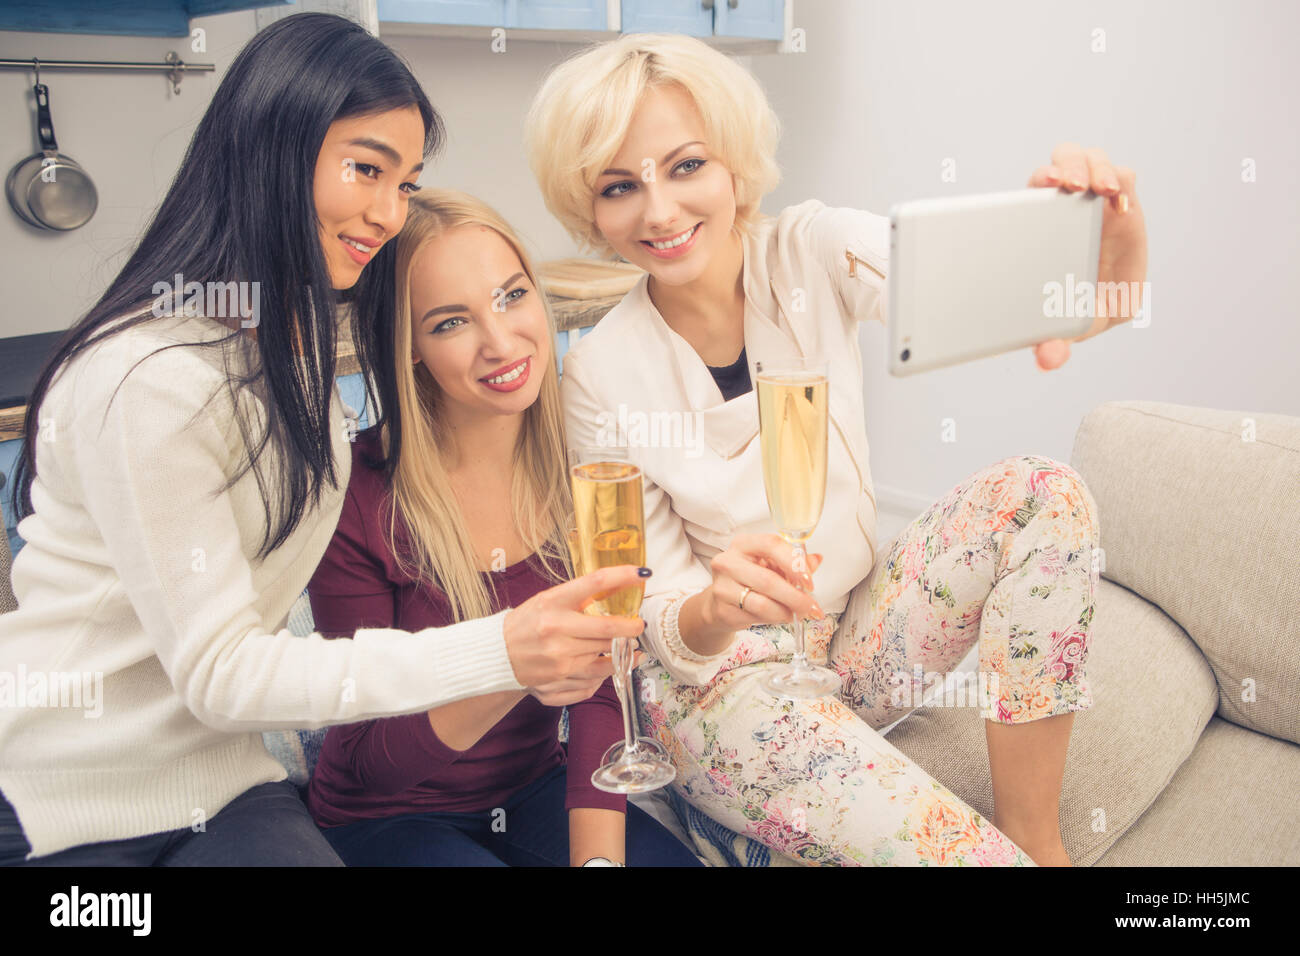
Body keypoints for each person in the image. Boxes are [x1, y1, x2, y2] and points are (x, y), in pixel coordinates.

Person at [0, 13, 643, 867]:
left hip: (221, 779)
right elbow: (224, 674)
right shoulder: (151, 376)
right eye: (366, 169)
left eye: (406, 182)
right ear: (273, 148)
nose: (387, 213)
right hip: (59, 789)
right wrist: (501, 650)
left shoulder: (287, 352)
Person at [523, 33, 1149, 866]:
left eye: (685, 166)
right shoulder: (601, 369)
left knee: (1044, 490)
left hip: (847, 629)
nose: (659, 212)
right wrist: (717, 606)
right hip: (718, 685)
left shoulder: (813, 250)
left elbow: (1052, 303)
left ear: (735, 165)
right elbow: (655, 623)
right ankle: (746, 806)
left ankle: (1035, 833)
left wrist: (1082, 242)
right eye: (619, 187)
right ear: (590, 209)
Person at [303, 190, 700, 867]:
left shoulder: (586, 463)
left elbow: (607, 678)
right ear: (410, 349)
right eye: (452, 322)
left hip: (534, 786)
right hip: (386, 817)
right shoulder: (357, 501)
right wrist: (514, 666)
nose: (501, 340)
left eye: (512, 296)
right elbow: (367, 760)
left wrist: (596, 863)